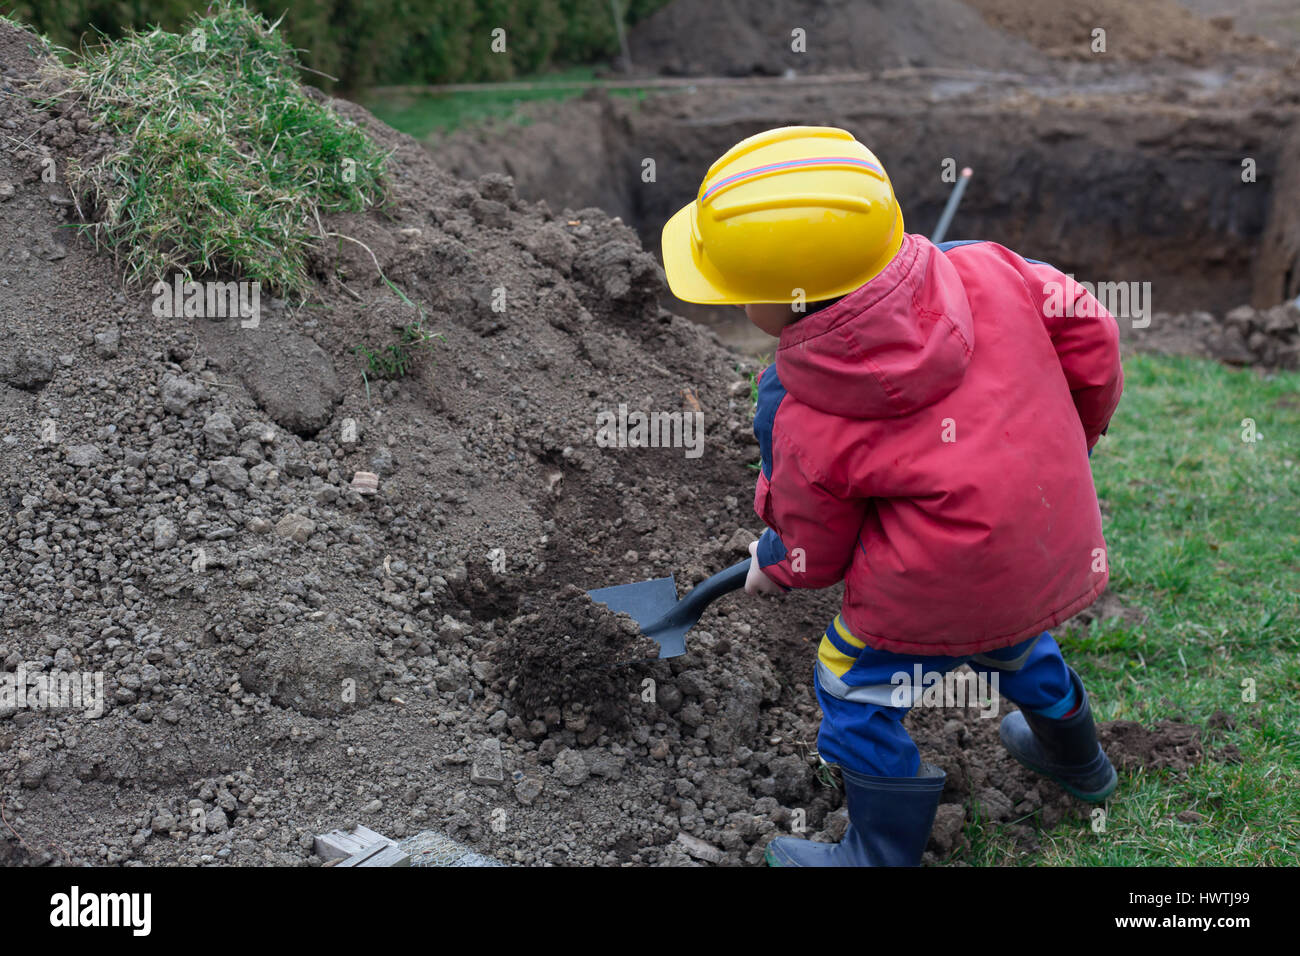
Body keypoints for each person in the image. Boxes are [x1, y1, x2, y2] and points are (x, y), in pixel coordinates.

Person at [660, 126, 1123, 867]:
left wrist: (777, 565)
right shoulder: (993, 268)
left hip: (932, 592)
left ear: (786, 302)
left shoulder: (801, 402)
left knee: (850, 686)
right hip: (1043, 545)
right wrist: (1073, 438)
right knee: (1017, 642)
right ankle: (1081, 763)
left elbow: (817, 541)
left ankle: (877, 854)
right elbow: (1093, 337)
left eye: (740, 296)